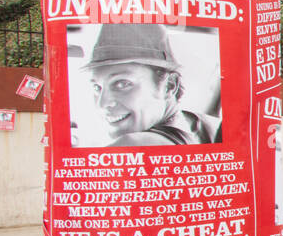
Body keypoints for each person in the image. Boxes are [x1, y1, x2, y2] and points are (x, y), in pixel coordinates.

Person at [84, 21, 221, 146]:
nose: (102, 104)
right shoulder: (211, 125)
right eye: (97, 87)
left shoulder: (131, 145)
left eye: (122, 84)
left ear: (170, 85)